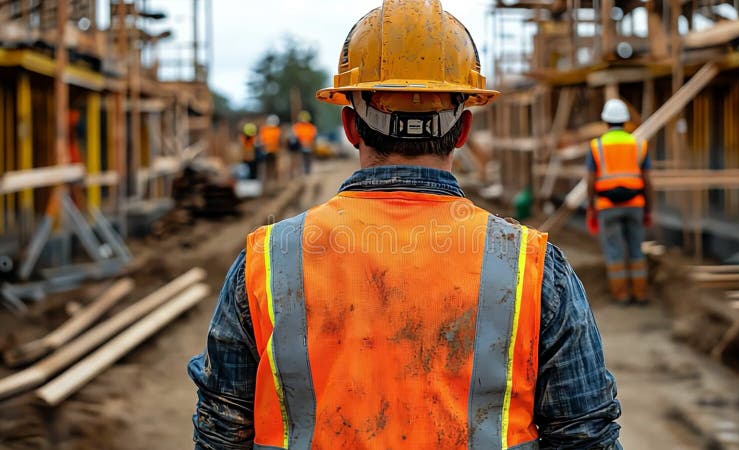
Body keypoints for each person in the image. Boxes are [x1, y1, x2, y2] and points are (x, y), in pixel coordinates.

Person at [189, 1, 621, 448]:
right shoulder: (532, 268)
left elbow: (222, 432)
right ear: (463, 129)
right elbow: (585, 434)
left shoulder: (266, 262)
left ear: (350, 127)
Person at [586, 99, 654, 306]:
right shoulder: (639, 144)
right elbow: (648, 180)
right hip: (635, 205)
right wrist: (648, 209)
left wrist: (591, 208)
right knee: (636, 249)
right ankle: (641, 294)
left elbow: (591, 180)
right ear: (625, 122)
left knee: (614, 251)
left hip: (607, 207)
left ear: (605, 121)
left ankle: (621, 295)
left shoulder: (597, 146)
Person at [259, 114, 282, 187]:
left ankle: (274, 181)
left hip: (273, 151)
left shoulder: (276, 130)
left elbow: (279, 141)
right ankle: (268, 181)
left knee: (273, 166)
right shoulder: (265, 130)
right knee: (267, 166)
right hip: (267, 151)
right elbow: (261, 140)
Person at [292, 110, 317, 175]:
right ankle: (301, 172)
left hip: (308, 145)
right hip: (300, 146)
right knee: (301, 159)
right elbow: (296, 136)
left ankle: (308, 172)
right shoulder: (297, 127)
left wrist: (310, 144)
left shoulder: (311, 127)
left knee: (308, 160)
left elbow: (313, 137)